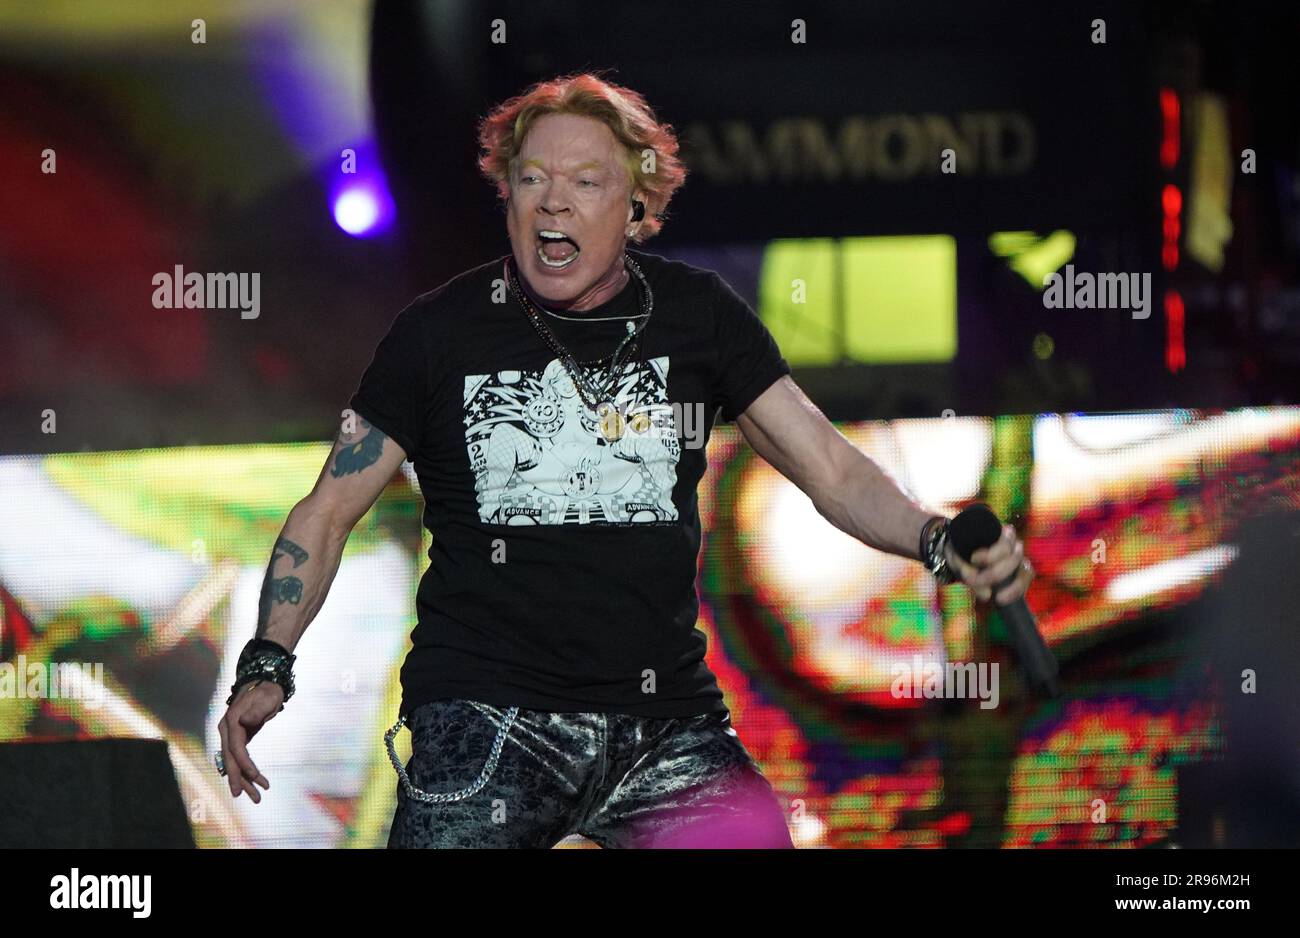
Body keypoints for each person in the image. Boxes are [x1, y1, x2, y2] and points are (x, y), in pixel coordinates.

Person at [214, 73, 1033, 848]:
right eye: (531, 181)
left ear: (637, 204)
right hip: (489, 722)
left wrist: (939, 541)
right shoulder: (440, 333)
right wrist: (266, 661)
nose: (552, 203)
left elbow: (830, 465)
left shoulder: (698, 317)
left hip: (666, 727)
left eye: (584, 182)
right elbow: (327, 510)